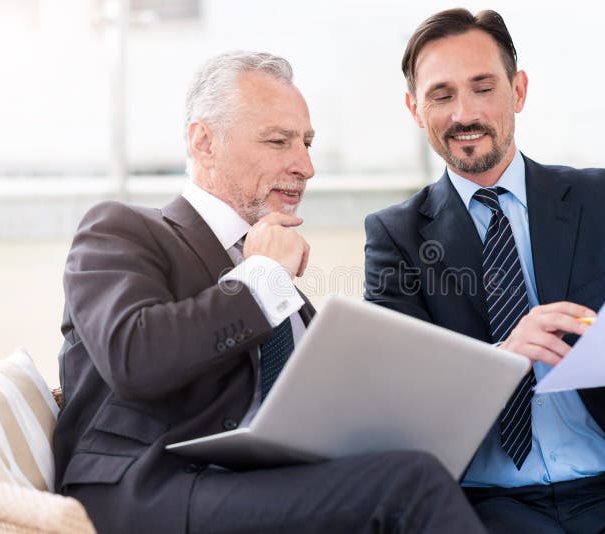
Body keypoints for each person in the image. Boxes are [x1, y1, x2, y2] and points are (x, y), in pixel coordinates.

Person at [364, 8, 605, 533]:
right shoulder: (394, 237)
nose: (464, 113)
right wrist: (504, 358)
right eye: (442, 95)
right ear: (416, 109)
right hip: (484, 505)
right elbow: (399, 403)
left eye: (483, 87)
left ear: (519, 91)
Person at [53, 50, 485, 534]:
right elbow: (135, 357)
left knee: (437, 463)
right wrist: (259, 278)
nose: (305, 166)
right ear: (204, 142)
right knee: (412, 484)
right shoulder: (122, 229)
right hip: (149, 489)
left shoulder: (269, 269)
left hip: (257, 481)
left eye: (306, 143)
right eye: (279, 141)